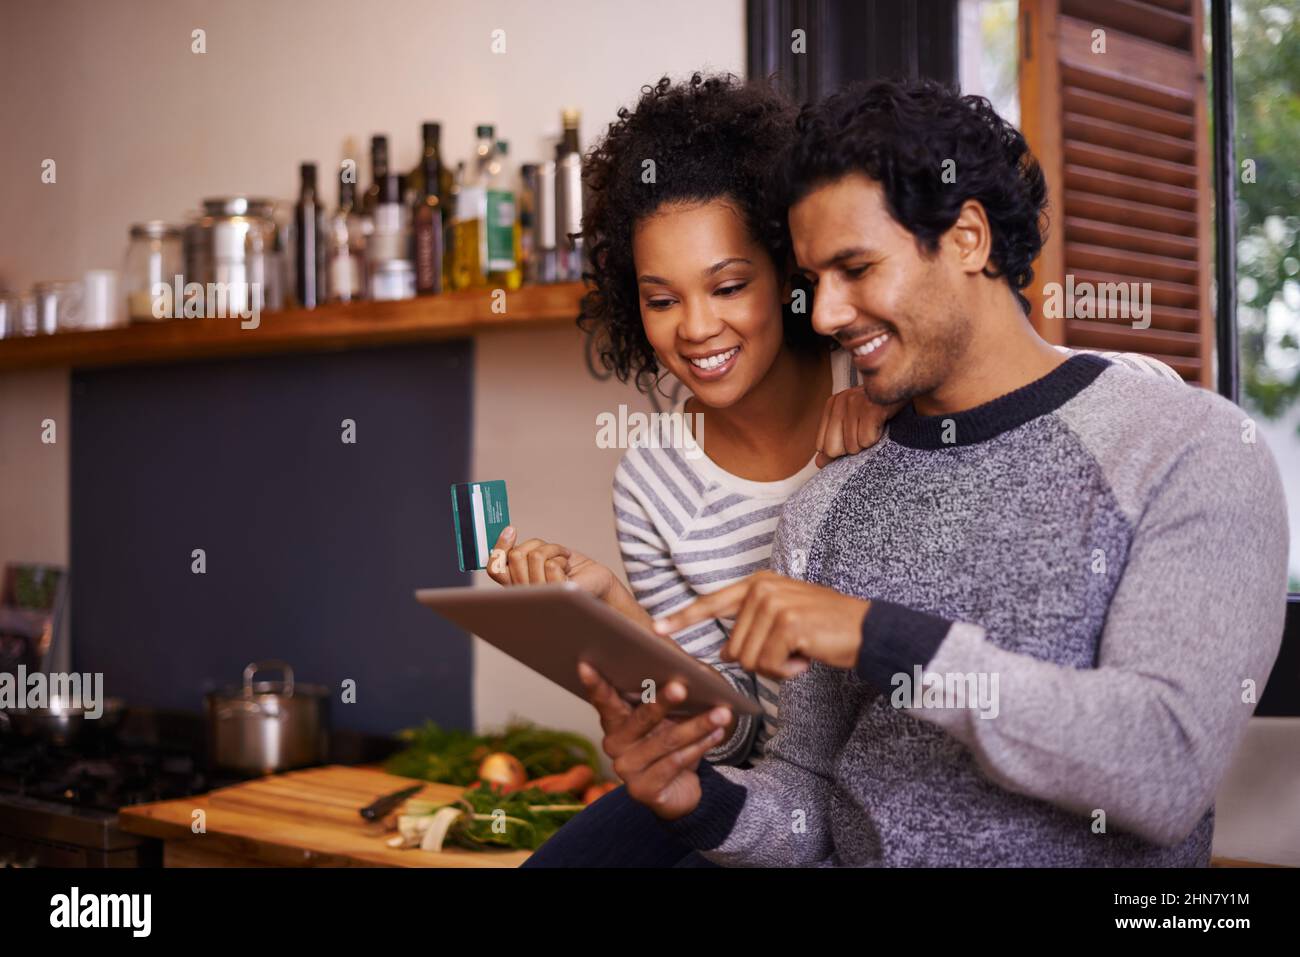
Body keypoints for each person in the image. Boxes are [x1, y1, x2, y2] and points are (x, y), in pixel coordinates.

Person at [584, 78, 1289, 866]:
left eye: (855, 268)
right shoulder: (827, 504)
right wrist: (696, 800)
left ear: (968, 237)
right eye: (815, 282)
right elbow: (803, 803)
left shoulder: (1186, 449)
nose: (824, 316)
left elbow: (1164, 767)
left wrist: (880, 638)